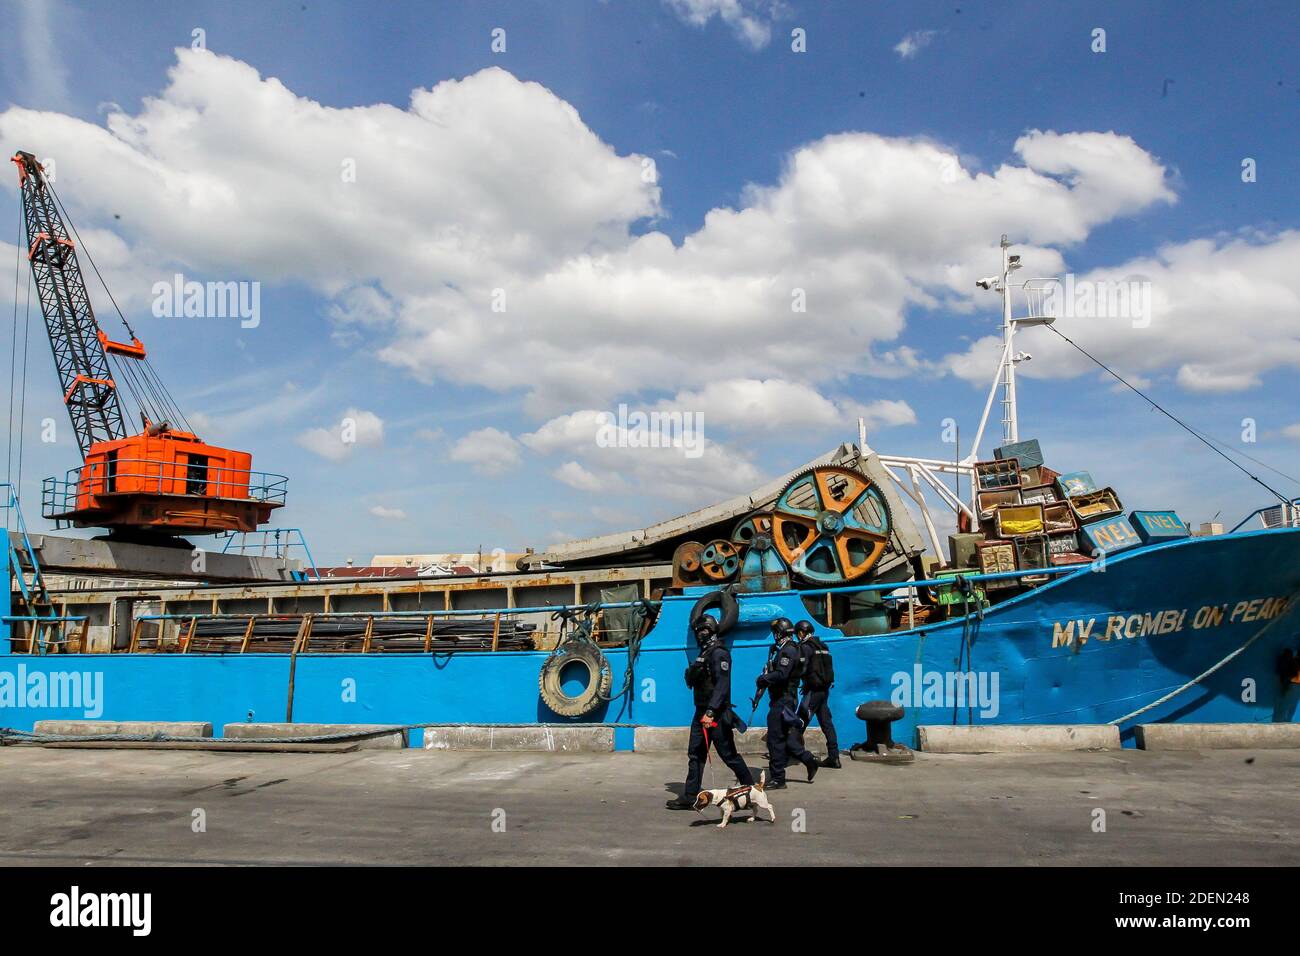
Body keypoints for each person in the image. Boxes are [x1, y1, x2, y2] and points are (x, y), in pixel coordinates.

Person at [666, 615, 755, 810]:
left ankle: (751, 792)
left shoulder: (719, 653)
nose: (699, 634)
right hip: (700, 712)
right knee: (695, 754)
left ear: (711, 630)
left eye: (702, 630)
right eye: (697, 631)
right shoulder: (704, 653)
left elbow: (722, 686)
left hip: (716, 714)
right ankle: (690, 796)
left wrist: (711, 712)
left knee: (729, 755)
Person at [754, 617, 818, 789]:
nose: (774, 636)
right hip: (781, 699)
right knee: (786, 737)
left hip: (784, 700)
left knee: (775, 739)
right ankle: (809, 760)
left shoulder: (788, 651)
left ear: (779, 633)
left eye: (775, 633)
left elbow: (782, 674)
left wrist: (763, 679)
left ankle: (778, 778)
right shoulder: (782, 649)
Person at [794, 619, 840, 768]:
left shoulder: (805, 647)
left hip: (813, 692)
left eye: (797, 634)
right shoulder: (823, 646)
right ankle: (834, 757)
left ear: (801, 633)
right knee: (827, 723)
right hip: (824, 690)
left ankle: (793, 752)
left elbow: (801, 669)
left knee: (799, 721)